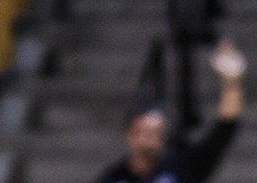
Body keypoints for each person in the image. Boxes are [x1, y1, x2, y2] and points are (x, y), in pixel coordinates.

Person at [93, 38, 247, 183]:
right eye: (141, 132)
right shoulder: (112, 178)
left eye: (154, 133)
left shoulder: (182, 167)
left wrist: (231, 80)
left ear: (163, 137)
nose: (146, 140)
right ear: (129, 135)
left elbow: (225, 128)